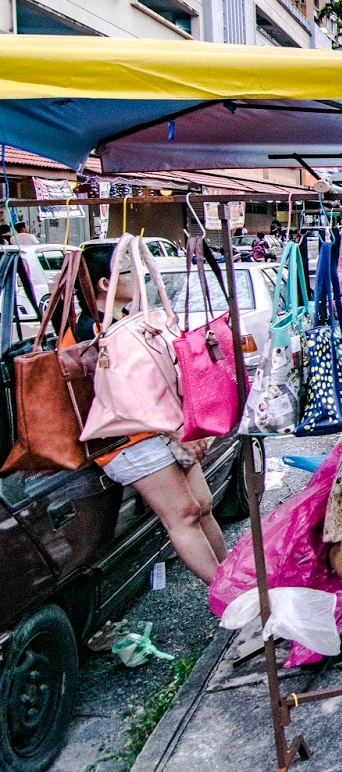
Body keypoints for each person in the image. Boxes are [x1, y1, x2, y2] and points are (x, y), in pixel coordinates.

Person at [80, 243, 226, 584]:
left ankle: (235, 583)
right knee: (185, 513)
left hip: (163, 429)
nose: (142, 277)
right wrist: (178, 430)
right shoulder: (91, 332)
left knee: (203, 504)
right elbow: (125, 399)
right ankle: (229, 596)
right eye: (133, 271)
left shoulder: (129, 321)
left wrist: (185, 427)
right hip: (127, 437)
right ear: (106, 283)